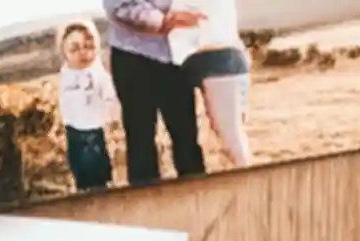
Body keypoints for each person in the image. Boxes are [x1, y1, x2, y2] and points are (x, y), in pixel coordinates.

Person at [102, 0, 208, 186]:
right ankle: (146, 206)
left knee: (187, 135)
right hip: (134, 56)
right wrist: (165, 21)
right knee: (140, 139)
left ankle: (198, 200)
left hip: (177, 55)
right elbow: (119, 6)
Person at [168, 0, 254, 167]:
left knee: (231, 139)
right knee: (228, 136)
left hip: (217, 57)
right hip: (218, 57)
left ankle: (250, 185)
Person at [55, 20, 118, 192]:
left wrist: (107, 116)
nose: (82, 54)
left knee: (97, 171)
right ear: (64, 52)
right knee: (80, 171)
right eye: (74, 49)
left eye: (87, 47)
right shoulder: (66, 76)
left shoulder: (99, 74)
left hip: (94, 131)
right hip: (74, 131)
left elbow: (110, 98)